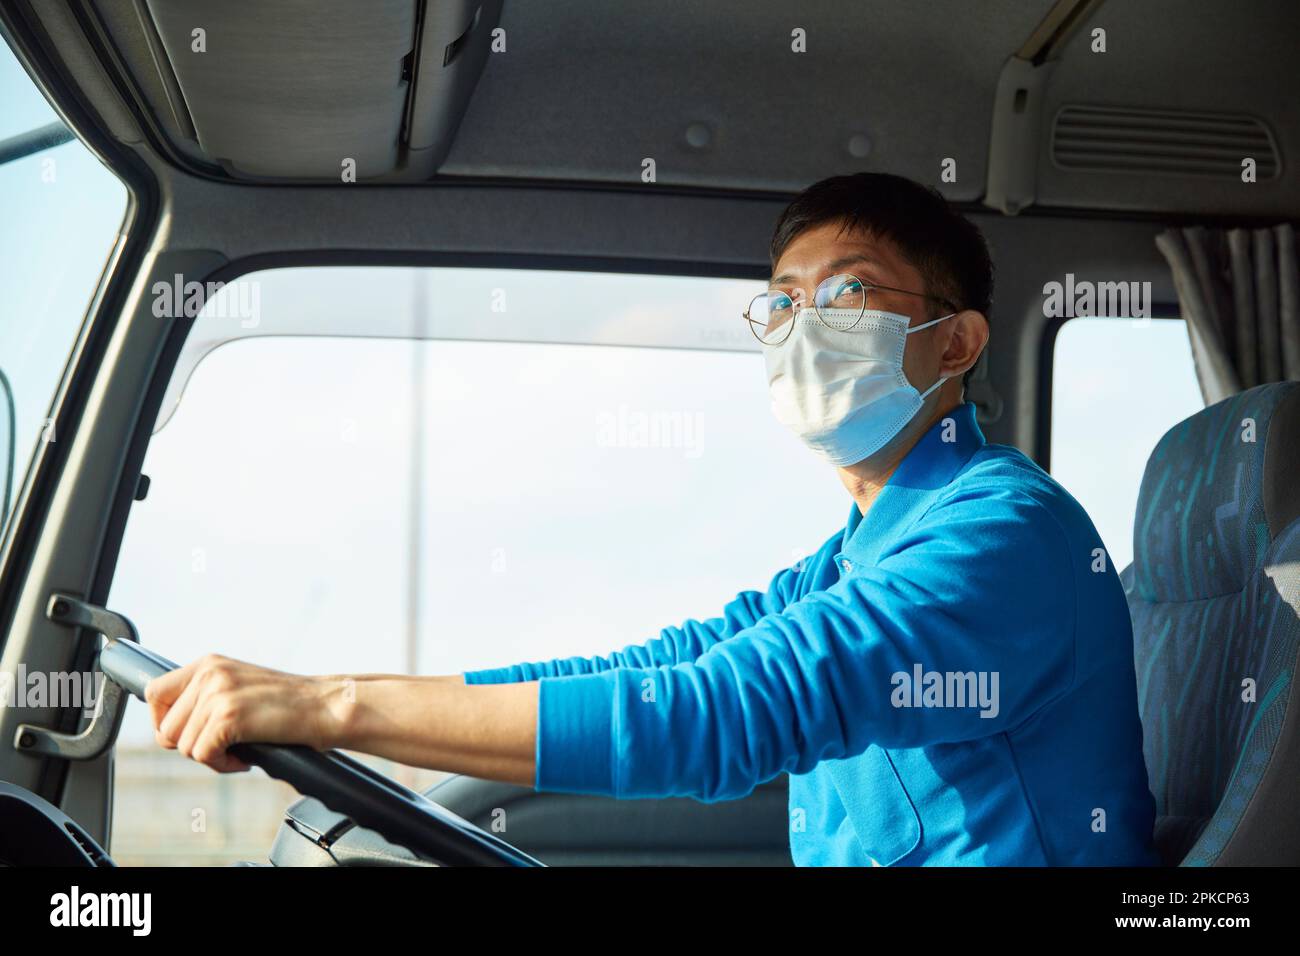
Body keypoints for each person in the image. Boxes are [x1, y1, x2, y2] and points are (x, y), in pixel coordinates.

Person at [146, 172, 1159, 866]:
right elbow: (650, 670)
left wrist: (327, 708)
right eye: (783, 304)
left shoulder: (1001, 536)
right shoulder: (853, 555)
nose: (805, 331)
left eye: (846, 298)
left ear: (956, 343)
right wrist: (318, 690)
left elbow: (713, 711)